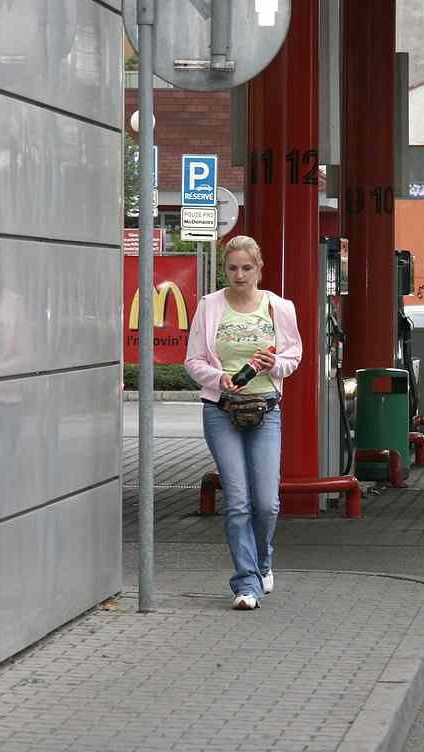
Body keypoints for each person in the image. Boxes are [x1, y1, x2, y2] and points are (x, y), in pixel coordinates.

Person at [185, 236, 302, 610]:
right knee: (237, 501)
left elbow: (293, 356)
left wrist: (275, 365)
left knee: (266, 503)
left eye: (246, 268)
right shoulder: (209, 306)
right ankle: (246, 583)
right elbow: (193, 361)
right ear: (224, 270)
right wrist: (216, 379)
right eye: (232, 268)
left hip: (266, 408)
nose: (239, 275)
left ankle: (263, 560)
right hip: (221, 410)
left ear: (259, 268)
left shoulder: (279, 308)